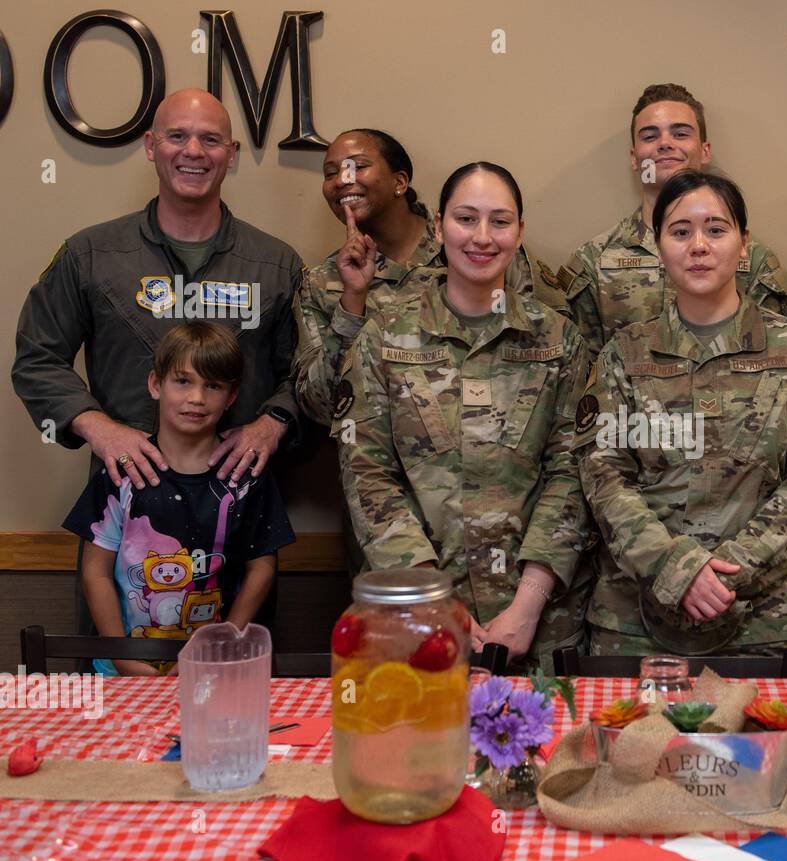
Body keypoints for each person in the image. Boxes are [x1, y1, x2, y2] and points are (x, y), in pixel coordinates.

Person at [574, 170, 787, 657]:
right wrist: (675, 568)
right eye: (680, 231)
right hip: (633, 620)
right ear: (659, 248)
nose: (698, 245)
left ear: (744, 245)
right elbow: (604, 473)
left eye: (716, 229)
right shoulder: (623, 354)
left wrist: (734, 567)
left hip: (759, 618)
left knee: (762, 736)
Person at [332, 162, 591, 674]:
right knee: (416, 752)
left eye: (500, 221)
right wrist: (432, 598)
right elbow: (367, 471)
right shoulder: (385, 337)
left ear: (519, 232)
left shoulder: (559, 341)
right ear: (437, 226)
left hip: (542, 624)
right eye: (466, 218)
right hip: (412, 619)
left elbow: (575, 473)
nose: (482, 237)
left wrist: (528, 603)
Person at [13, 88, 303, 489]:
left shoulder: (277, 264)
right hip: (122, 504)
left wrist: (273, 423)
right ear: (152, 145)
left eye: (211, 139)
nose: (194, 151)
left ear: (232, 153)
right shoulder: (91, 254)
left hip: (238, 506)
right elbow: (37, 358)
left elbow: (308, 375)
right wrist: (97, 427)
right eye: (178, 136)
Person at [293, 128, 569, 427]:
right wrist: (352, 302)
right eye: (330, 173)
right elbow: (320, 406)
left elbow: (562, 359)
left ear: (400, 181)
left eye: (357, 166)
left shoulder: (480, 249)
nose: (342, 180)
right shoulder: (323, 283)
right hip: (376, 457)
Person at [63, 322, 295, 676]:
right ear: (156, 384)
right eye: (183, 381)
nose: (197, 398)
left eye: (213, 385)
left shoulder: (246, 477)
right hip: (122, 670)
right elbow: (95, 571)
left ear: (231, 396)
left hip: (216, 667)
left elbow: (261, 568)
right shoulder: (121, 473)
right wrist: (121, 656)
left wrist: (221, 646)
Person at [556, 83, 787, 359]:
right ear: (634, 158)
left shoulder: (755, 262)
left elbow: (780, 358)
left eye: (680, 133)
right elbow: (582, 374)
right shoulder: (592, 264)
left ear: (705, 151)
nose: (665, 143)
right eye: (649, 136)